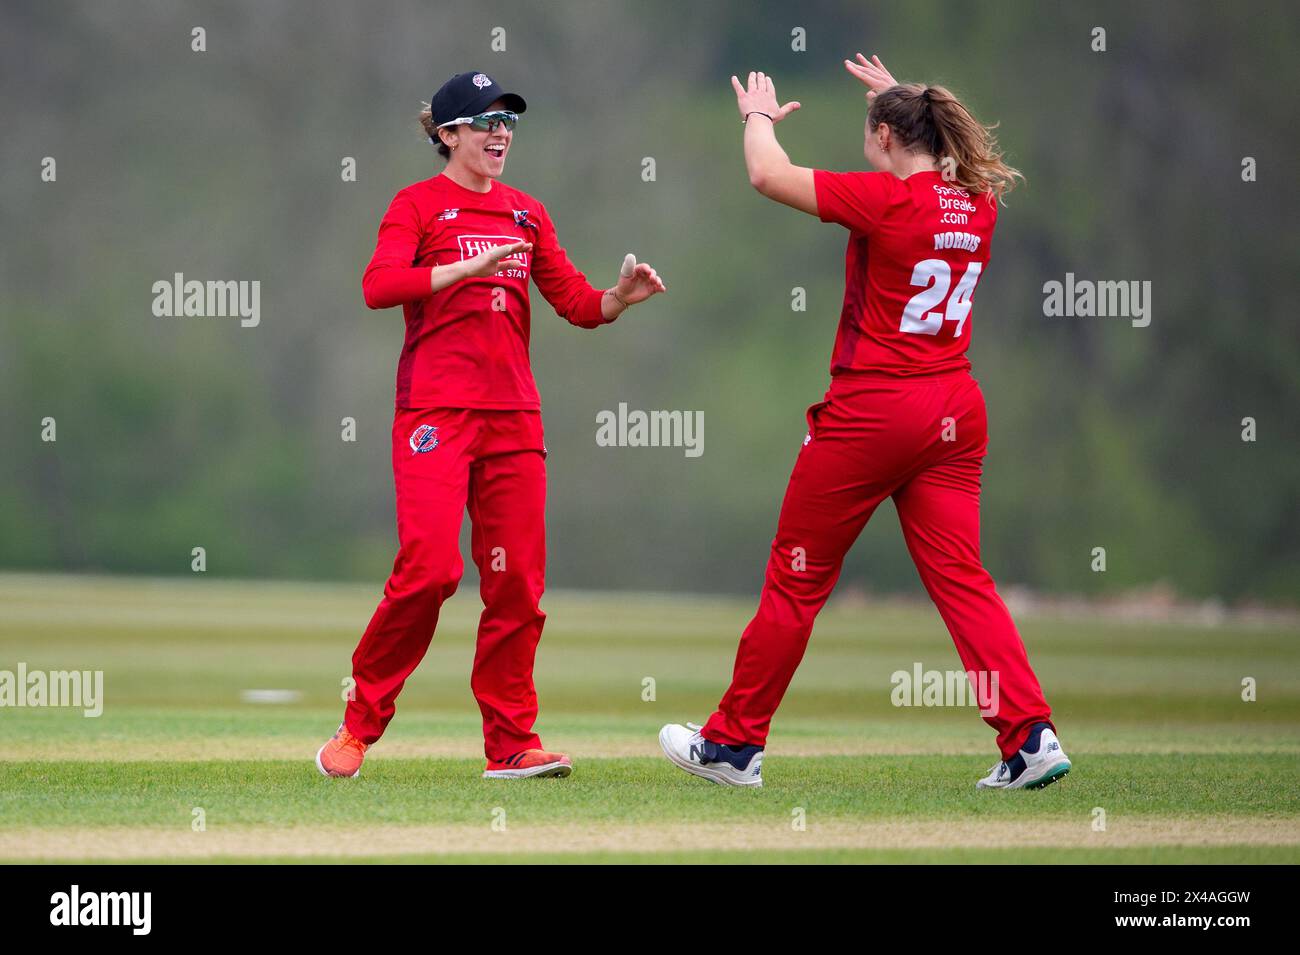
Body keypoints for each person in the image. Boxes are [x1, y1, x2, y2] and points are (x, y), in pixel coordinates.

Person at [660, 55, 1069, 791]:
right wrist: (897, 98)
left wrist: (757, 116)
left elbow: (766, 174)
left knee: (795, 580)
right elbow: (929, 160)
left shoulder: (887, 200)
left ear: (884, 135)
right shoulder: (976, 202)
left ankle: (732, 745)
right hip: (953, 410)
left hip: (875, 411)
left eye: (872, 131)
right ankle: (1029, 736)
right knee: (963, 581)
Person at [317, 70, 665, 780]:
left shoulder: (527, 212)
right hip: (434, 414)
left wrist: (618, 299)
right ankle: (358, 725)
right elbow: (377, 286)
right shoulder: (416, 206)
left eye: (507, 122)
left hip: (514, 419)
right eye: (483, 122)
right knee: (431, 570)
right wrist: (455, 272)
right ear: (447, 135)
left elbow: (573, 301)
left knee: (516, 585)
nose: (499, 133)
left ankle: (511, 744)